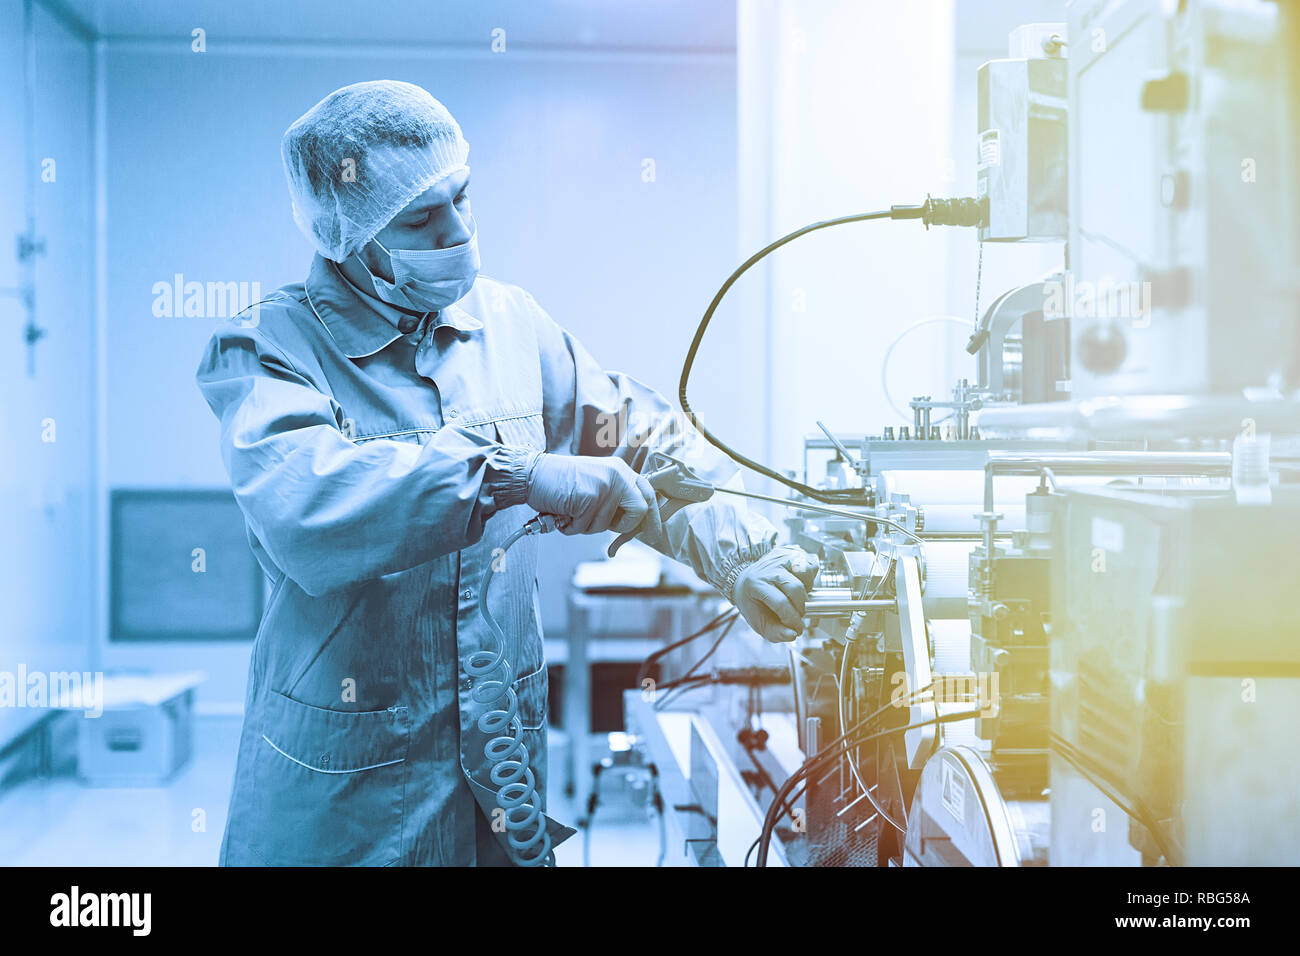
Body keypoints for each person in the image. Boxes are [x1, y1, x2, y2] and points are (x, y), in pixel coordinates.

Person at [195, 79, 814, 866]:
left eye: (461, 197)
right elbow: (308, 508)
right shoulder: (268, 348)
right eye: (422, 218)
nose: (458, 230)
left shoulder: (511, 326)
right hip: (343, 794)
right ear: (348, 232)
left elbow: (636, 438)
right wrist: (513, 477)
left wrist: (745, 553)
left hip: (499, 779)